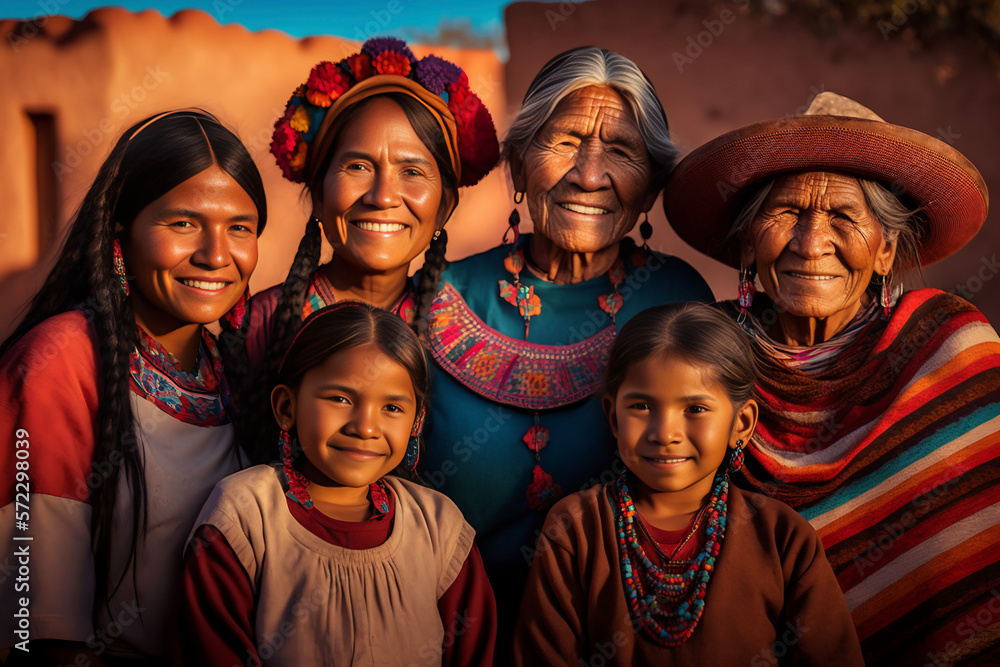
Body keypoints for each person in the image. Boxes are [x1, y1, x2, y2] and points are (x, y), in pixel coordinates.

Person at [663, 91, 1000, 665]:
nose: (810, 243)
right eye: (787, 213)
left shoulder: (949, 344)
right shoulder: (701, 357)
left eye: (844, 216)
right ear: (747, 243)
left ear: (888, 250)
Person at [421, 46, 714, 638]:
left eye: (623, 152)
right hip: (450, 637)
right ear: (519, 163)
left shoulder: (678, 300)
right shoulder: (442, 292)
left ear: (651, 187)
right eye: (564, 142)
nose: (589, 174)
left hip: (626, 636)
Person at [0, 110, 267, 665]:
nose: (217, 255)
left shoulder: (239, 374)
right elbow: (36, 624)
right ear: (121, 234)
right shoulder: (63, 362)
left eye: (239, 227)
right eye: (184, 223)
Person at [512, 303, 863, 665]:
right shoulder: (576, 529)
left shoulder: (782, 539)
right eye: (642, 407)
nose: (665, 434)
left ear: (740, 424)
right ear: (612, 416)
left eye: (695, 409)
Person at [180, 302, 496, 666]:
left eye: (392, 407)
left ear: (416, 422)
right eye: (340, 399)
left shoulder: (440, 529)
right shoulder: (243, 518)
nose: (365, 427)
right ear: (286, 406)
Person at [242, 37, 499, 462]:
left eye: (413, 171)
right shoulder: (261, 326)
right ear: (319, 195)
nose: (382, 196)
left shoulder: (471, 323)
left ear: (444, 208)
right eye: (358, 166)